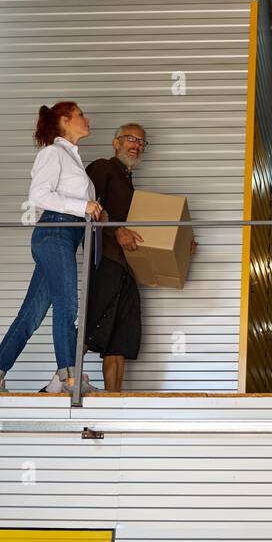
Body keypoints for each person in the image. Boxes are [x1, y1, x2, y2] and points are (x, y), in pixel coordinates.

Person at [0, 101, 106, 394]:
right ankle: (71, 380)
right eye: (80, 115)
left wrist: (92, 211)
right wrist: (82, 205)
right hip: (55, 232)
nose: (87, 119)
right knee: (67, 306)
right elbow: (38, 195)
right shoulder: (53, 153)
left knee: (31, 314)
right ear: (64, 120)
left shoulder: (72, 158)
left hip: (64, 237)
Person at [83, 123, 196, 391]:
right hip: (106, 262)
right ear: (115, 142)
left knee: (120, 337)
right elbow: (87, 207)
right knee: (91, 326)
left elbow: (146, 234)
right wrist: (116, 231)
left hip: (128, 269)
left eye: (142, 142)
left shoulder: (133, 190)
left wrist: (181, 247)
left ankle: (114, 399)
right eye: (131, 139)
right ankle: (64, 379)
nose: (137, 145)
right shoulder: (102, 168)